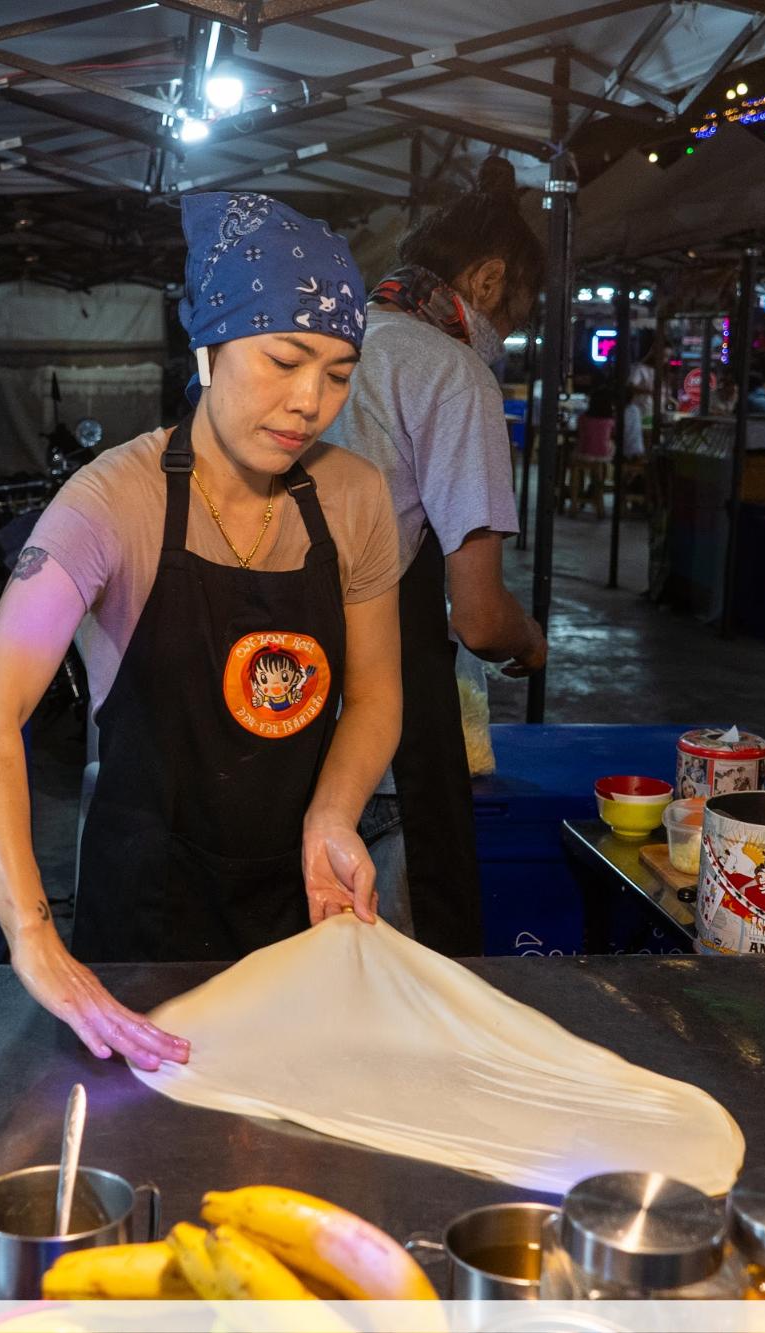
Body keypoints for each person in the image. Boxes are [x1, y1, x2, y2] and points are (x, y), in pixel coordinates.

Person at [0, 193, 403, 1068]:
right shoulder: (114, 500)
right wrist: (34, 937)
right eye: (283, 358)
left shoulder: (354, 497)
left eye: (338, 373)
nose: (308, 400)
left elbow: (377, 693)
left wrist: (333, 818)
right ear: (209, 344)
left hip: (298, 912)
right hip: (144, 931)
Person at [322, 157, 546, 954]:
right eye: (517, 313)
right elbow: (480, 618)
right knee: (409, 962)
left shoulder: (327, 346)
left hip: (288, 700)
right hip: (390, 723)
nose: (509, 336)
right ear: (486, 280)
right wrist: (529, 643)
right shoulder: (451, 371)